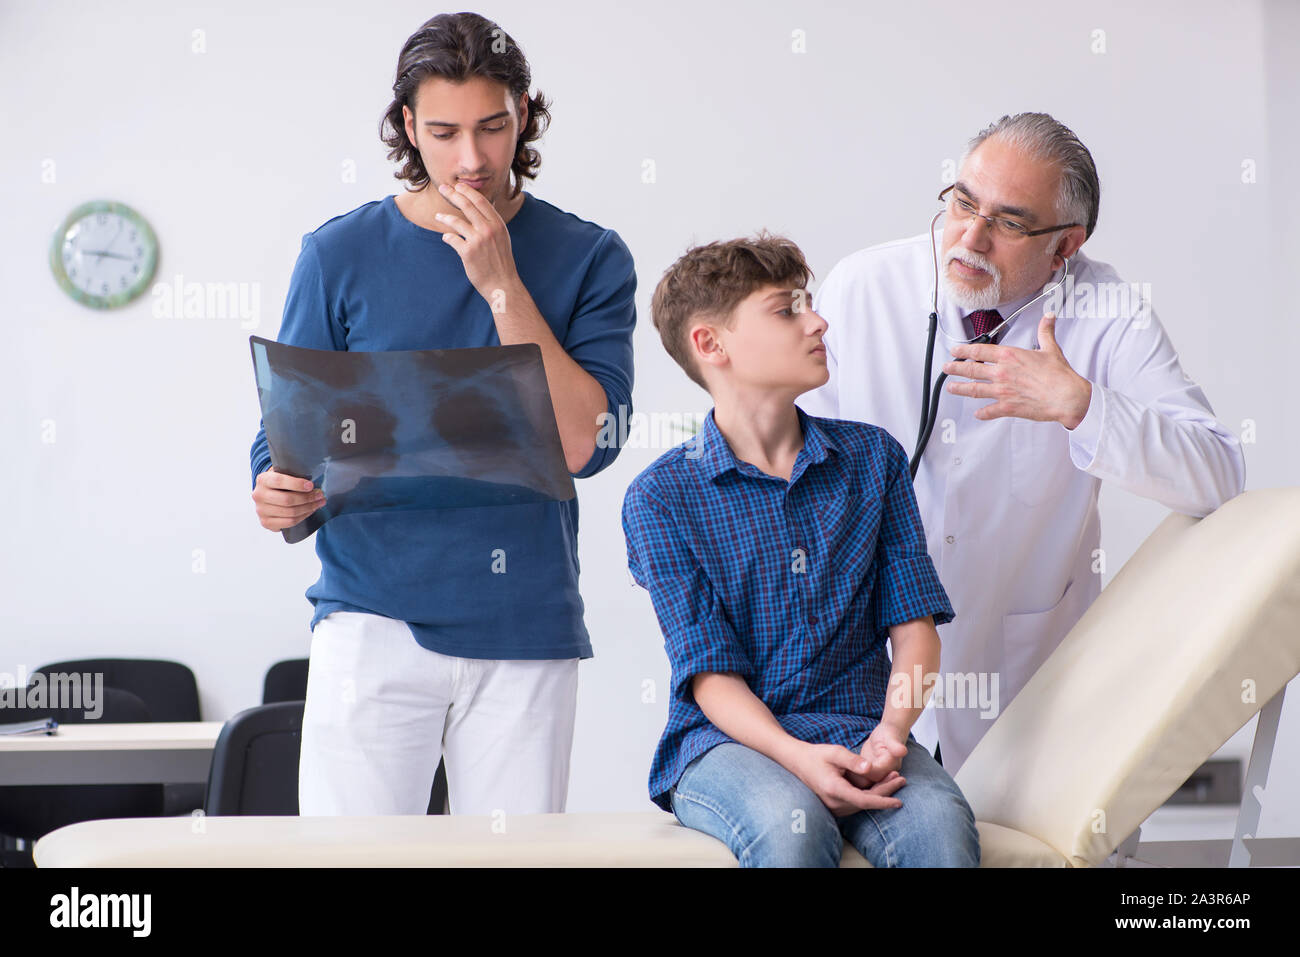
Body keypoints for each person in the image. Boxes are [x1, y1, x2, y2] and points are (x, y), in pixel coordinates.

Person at [249, 12, 636, 816]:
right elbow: (288, 429)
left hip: (524, 625)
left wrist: (501, 283)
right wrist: (271, 484)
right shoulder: (338, 254)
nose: (472, 159)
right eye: (445, 131)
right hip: (369, 615)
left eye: (493, 126)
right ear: (406, 128)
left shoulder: (592, 256)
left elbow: (586, 443)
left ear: (523, 113)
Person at [797, 112, 1246, 773]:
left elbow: (1218, 474)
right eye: (962, 202)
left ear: (1065, 246)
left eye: (1008, 222)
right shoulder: (864, 289)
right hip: (867, 669)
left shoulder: (1106, 313)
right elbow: (796, 472)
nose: (970, 236)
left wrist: (1082, 406)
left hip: (1026, 680)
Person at [621, 232, 980, 867]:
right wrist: (799, 762)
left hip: (863, 728)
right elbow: (711, 678)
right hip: (724, 745)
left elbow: (916, 632)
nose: (817, 321)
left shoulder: (872, 459)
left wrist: (890, 740)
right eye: (786, 309)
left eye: (807, 303)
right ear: (711, 344)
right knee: (792, 832)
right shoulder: (661, 498)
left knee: (941, 836)